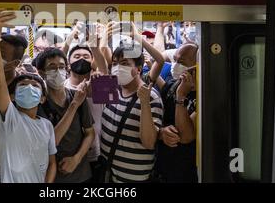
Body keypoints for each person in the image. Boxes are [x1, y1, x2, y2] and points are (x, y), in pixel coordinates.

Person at [0, 10, 57, 183]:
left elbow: (52, 163)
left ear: (42, 98)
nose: (29, 88)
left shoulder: (47, 126)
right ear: (12, 95)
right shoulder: (10, 118)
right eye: (23, 85)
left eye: (35, 86)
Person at [100, 23, 164, 183]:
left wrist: (144, 104)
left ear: (139, 69)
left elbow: (149, 142)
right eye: (115, 63)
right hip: (108, 173)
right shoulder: (111, 87)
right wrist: (104, 36)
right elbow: (99, 53)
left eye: (124, 63)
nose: (117, 68)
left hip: (134, 178)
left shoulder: (150, 97)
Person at [35, 47, 95, 183]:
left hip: (81, 174)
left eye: (61, 67)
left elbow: (90, 133)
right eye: (52, 67)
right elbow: (51, 141)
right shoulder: (39, 103)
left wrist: (77, 158)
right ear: (41, 72)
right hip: (52, 177)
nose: (58, 71)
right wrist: (73, 106)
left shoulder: (77, 96)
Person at [64, 44, 109, 182]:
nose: (81, 59)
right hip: (69, 156)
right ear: (69, 65)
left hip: (96, 154)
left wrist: (95, 47)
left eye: (86, 57)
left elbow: (104, 71)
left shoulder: (98, 86)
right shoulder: (62, 88)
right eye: (76, 57)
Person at [155, 43, 198, 183]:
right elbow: (158, 120)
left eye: (182, 62)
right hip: (164, 166)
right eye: (175, 60)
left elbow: (186, 137)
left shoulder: (204, 97)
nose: (176, 65)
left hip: (185, 170)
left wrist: (181, 96)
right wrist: (160, 132)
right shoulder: (173, 84)